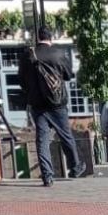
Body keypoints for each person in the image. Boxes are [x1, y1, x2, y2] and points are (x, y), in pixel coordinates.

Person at [18, 34, 83, 186]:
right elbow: (68, 75)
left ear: (37, 38)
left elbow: (21, 81)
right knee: (66, 135)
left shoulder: (28, 55)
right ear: (50, 38)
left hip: (37, 106)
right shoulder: (58, 53)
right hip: (57, 103)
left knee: (42, 141)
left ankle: (47, 176)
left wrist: (32, 91)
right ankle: (75, 167)